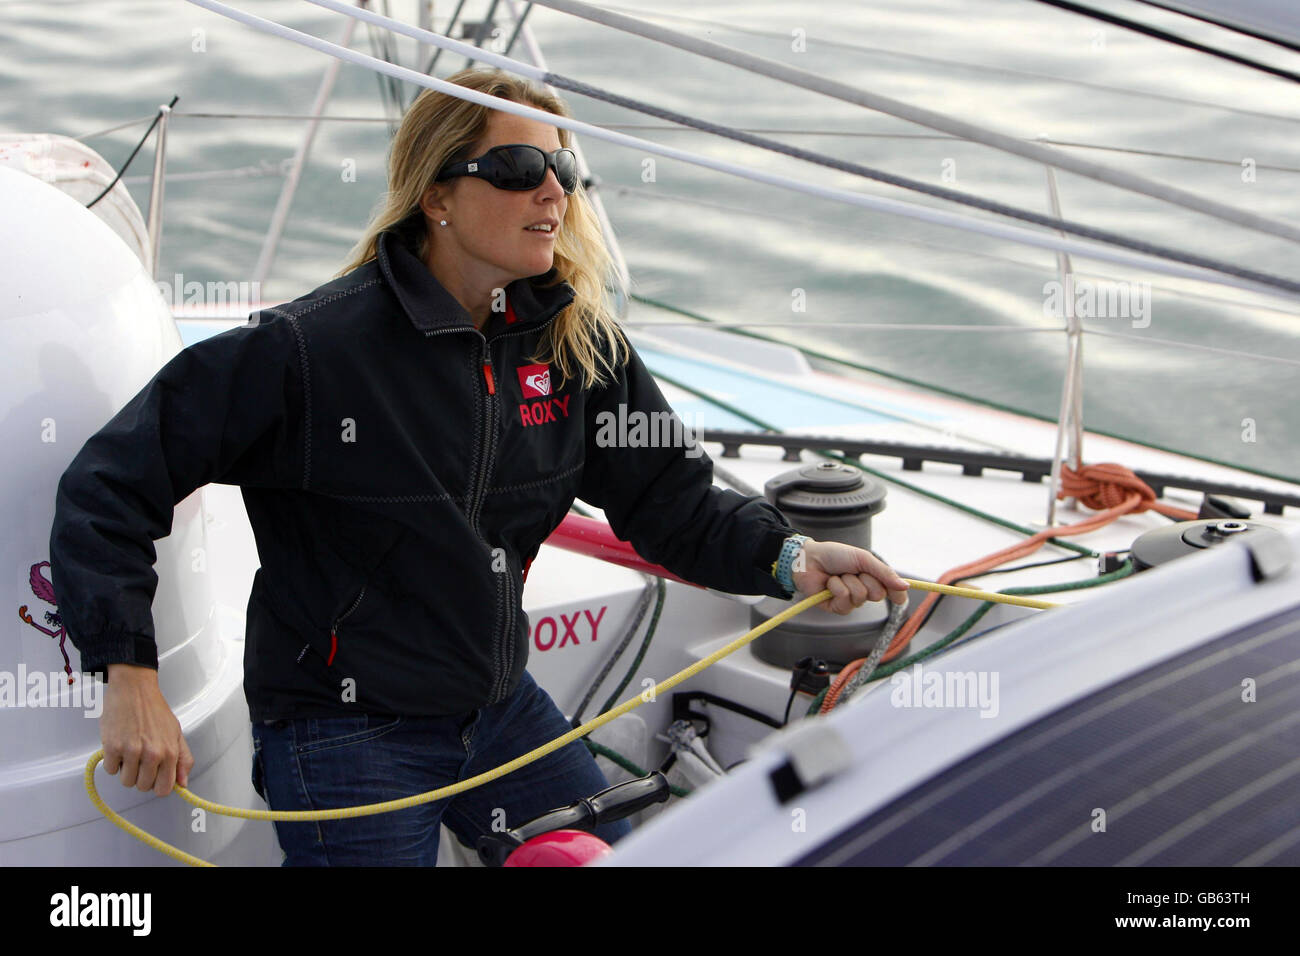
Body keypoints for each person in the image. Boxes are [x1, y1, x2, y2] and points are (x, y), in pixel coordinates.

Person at [48, 67, 909, 866]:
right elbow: (111, 485)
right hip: (344, 727)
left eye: (563, 170)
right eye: (520, 167)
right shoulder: (309, 350)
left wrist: (790, 557)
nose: (553, 191)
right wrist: (130, 673)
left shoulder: (575, 348)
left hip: (496, 707)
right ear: (437, 195)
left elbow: (672, 501)